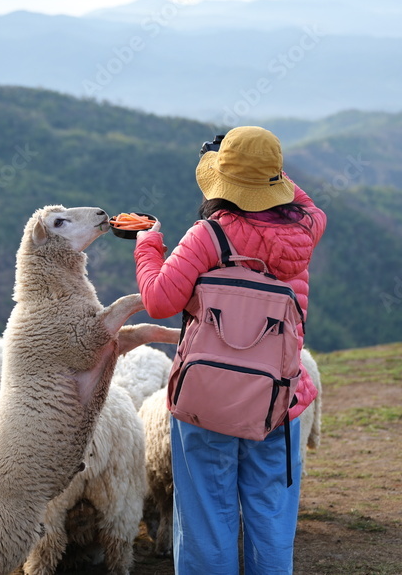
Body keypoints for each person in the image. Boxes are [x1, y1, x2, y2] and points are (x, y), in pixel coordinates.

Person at [132, 125, 326, 574]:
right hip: (278, 400)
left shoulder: (209, 235)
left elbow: (160, 300)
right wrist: (262, 170)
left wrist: (148, 245)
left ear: (223, 181)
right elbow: (305, 200)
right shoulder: (308, 226)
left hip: (207, 399)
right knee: (272, 519)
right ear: (277, 179)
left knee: (205, 521)